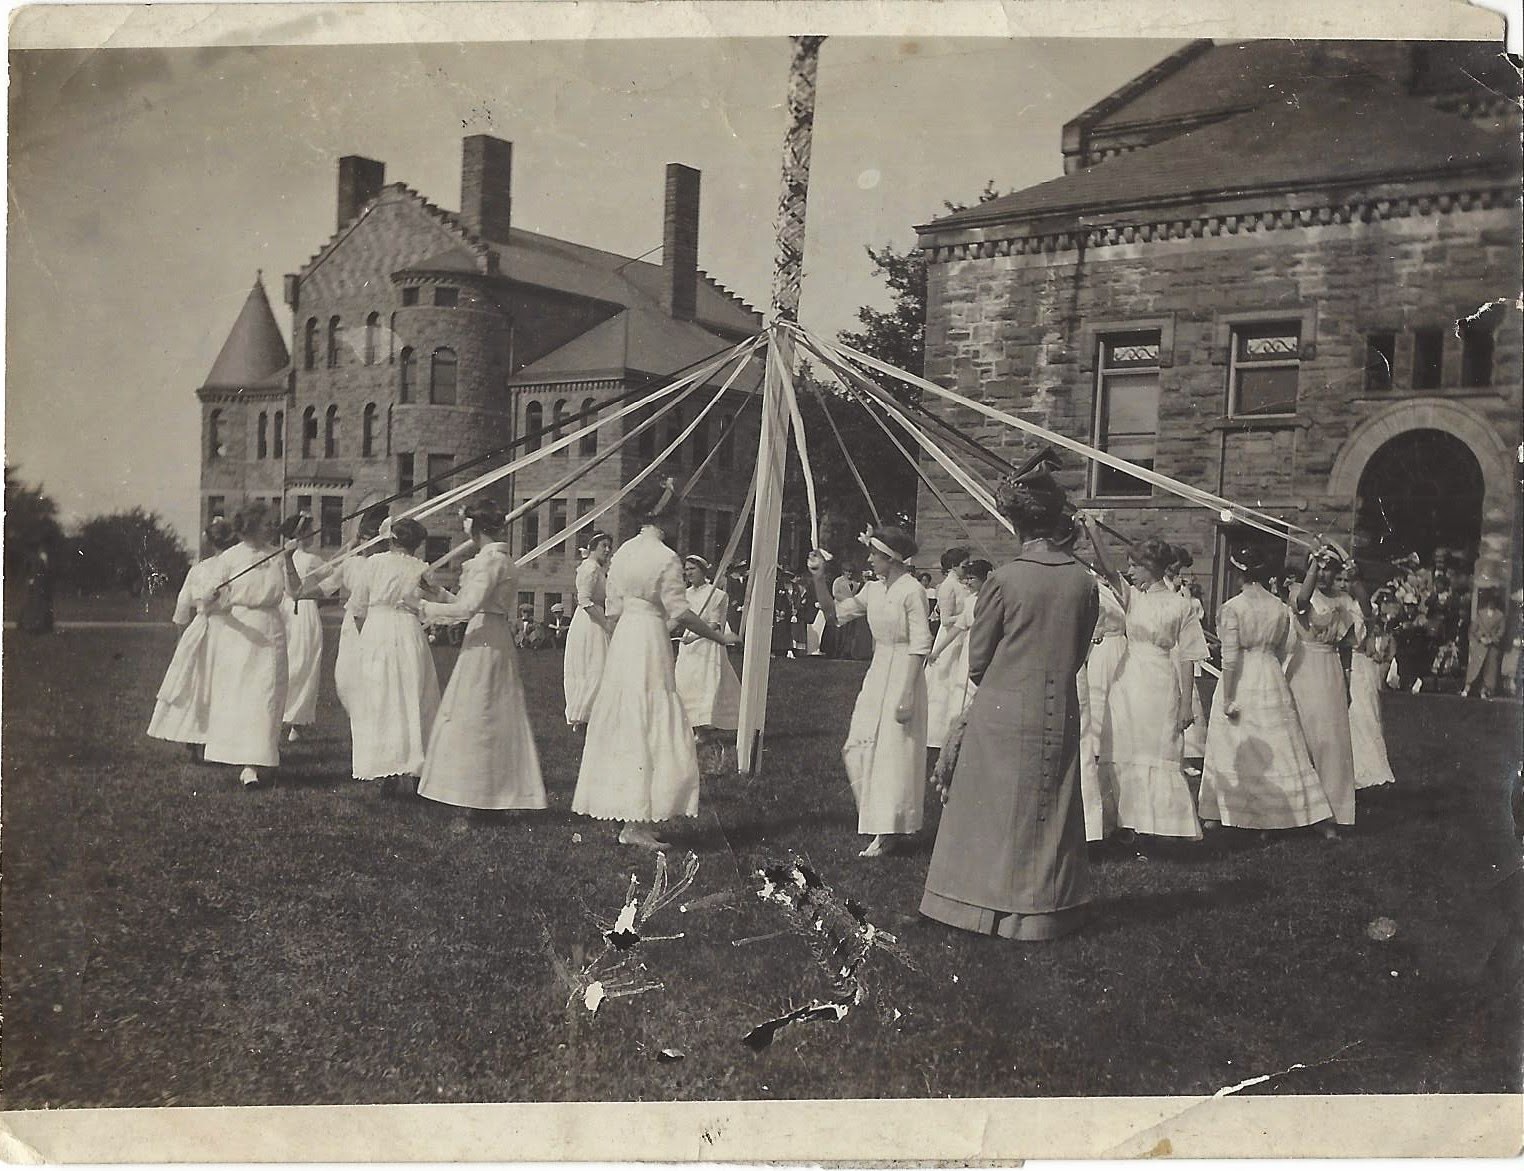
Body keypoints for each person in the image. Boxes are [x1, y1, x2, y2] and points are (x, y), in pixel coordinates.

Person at [919, 471, 1099, 940]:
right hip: (1058, 705)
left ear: (1017, 526)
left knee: (991, 808)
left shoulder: (1005, 579)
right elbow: (1080, 651)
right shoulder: (1083, 581)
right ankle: (1040, 911)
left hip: (1002, 705)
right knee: (1048, 805)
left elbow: (978, 659)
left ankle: (980, 908)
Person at [572, 480, 738, 851]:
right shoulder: (665, 557)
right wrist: (718, 637)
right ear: (666, 517)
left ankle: (633, 817)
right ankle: (635, 823)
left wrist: (635, 630)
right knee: (651, 716)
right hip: (649, 639)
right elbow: (680, 612)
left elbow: (613, 610)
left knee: (629, 717)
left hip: (626, 639)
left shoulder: (624, 554)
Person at [807, 524, 932, 858]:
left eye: (875, 554)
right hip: (878, 671)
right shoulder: (873, 590)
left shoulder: (911, 590)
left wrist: (907, 694)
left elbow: (921, 643)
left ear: (891, 558)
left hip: (905, 671)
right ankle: (876, 816)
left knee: (893, 751)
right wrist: (820, 578)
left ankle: (888, 829)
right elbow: (836, 616)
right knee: (857, 746)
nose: (870, 559)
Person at [416, 500, 546, 814]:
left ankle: (475, 799)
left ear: (475, 526)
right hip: (491, 635)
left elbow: (467, 608)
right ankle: (491, 795)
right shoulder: (498, 559)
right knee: (491, 713)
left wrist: (420, 607)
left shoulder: (491, 562)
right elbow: (467, 602)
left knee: (478, 714)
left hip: (485, 641)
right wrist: (435, 593)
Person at [1196, 546, 1337, 836]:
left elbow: (1231, 657)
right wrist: (1272, 666)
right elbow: (1287, 647)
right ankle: (1289, 812)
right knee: (1281, 743)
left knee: (1234, 741)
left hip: (1244, 675)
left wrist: (1227, 697)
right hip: (1270, 672)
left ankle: (1225, 811)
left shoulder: (1233, 607)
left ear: (1239, 574)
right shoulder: (1278, 606)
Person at [1090, 531, 1205, 842]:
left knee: (1159, 748)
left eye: (1135, 566)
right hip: (1127, 683)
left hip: (1161, 683)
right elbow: (1108, 569)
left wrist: (1184, 703)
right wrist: (1092, 529)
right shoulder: (1132, 596)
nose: (1130, 572)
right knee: (1124, 748)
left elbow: (1189, 656)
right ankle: (1124, 825)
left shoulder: (1181, 605)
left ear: (1150, 567)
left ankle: (1158, 827)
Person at [196, 502, 302, 788]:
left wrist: (289, 559)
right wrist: (210, 595)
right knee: (240, 694)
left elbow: (296, 591)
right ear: (252, 525)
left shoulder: (277, 555)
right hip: (239, 631)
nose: (273, 527)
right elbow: (207, 597)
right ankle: (239, 758)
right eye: (268, 522)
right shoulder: (230, 558)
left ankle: (254, 762)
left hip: (271, 629)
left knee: (267, 693)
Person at [348, 517, 443, 790]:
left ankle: (386, 770)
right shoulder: (422, 569)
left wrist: (366, 638)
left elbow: (357, 608)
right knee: (413, 694)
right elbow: (436, 601)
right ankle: (414, 768)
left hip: (377, 630)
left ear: (390, 539)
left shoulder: (373, 563)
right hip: (408, 630)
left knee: (380, 697)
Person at [147, 517, 239, 759]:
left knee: (198, 681)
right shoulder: (233, 568)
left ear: (209, 542)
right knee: (219, 682)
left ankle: (198, 736)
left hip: (203, 627)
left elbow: (181, 608)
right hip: (223, 628)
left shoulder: (199, 569)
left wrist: (181, 638)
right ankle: (208, 739)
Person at [1286, 546, 1361, 829]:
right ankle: (1295, 810)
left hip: (1329, 670)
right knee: (1300, 736)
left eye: (1330, 568)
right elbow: (1302, 602)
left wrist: (1348, 680)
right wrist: (1314, 566)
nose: (1325, 574)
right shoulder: (1299, 590)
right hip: (1303, 667)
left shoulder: (1342, 600)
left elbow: (1347, 647)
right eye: (1320, 567)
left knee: (1330, 740)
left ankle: (1331, 813)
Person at [1063, 517, 1126, 843]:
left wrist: (1095, 530)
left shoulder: (1108, 586)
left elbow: (1110, 569)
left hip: (1118, 659)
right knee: (1089, 737)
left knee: (1104, 737)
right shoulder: (1081, 583)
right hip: (1092, 658)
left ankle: (1102, 818)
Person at [298, 504, 389, 721]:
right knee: (346, 679)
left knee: (375, 678)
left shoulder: (386, 564)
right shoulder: (352, 562)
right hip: (352, 626)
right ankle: (359, 721)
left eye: (371, 539)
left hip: (377, 624)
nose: (367, 545)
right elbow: (329, 584)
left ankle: (373, 725)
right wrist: (300, 594)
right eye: (364, 538)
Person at [674, 554, 741, 734]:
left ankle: (705, 726)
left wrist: (694, 637)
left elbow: (714, 623)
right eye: (686, 569)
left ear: (703, 571)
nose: (688, 573)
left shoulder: (716, 594)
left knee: (705, 683)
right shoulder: (684, 595)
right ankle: (690, 726)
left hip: (707, 642)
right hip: (687, 644)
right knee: (685, 682)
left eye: (692, 569)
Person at [925, 547, 975, 763]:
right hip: (951, 640)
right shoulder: (946, 587)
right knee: (944, 686)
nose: (967, 569)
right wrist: (968, 616)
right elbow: (945, 620)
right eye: (964, 566)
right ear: (954, 566)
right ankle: (935, 735)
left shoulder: (961, 585)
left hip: (962, 638)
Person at [279, 515, 325, 744]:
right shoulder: (313, 560)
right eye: (310, 530)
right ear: (301, 534)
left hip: (285, 610)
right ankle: (295, 723)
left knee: (290, 660)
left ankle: (282, 713)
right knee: (304, 662)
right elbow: (334, 572)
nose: (313, 534)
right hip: (304, 611)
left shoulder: (280, 558)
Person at [564, 530, 614, 729]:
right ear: (592, 548)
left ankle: (594, 714)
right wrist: (606, 623)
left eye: (609, 546)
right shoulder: (590, 568)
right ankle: (583, 714)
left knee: (598, 664)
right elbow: (583, 599)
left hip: (597, 618)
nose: (608, 550)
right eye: (604, 546)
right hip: (589, 622)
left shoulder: (599, 569)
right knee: (592, 665)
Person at [1350, 611, 1397, 789]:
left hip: (1357, 666)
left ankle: (1366, 763)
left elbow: (1369, 649)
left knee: (1363, 714)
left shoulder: (1362, 613)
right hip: (1345, 663)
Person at [1461, 588, 1506, 699]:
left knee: (1490, 668)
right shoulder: (1480, 614)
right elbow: (1473, 628)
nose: (1492, 603)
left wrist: (1492, 639)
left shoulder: (1500, 616)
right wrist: (1480, 637)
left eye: (1494, 601)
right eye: (1490, 600)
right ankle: (1467, 687)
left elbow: (1501, 631)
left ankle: (1485, 690)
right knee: (1474, 666)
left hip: (1492, 646)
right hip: (1480, 644)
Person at [18, 545, 56, 634]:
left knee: (41, 605)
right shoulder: (36, 560)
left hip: (42, 586)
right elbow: (32, 571)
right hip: (38, 586)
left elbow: (46, 572)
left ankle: (44, 625)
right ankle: (31, 625)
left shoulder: (41, 559)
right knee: (34, 605)